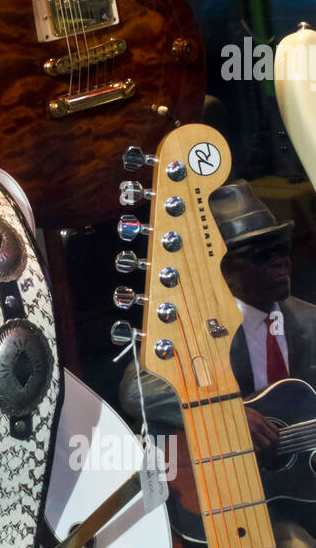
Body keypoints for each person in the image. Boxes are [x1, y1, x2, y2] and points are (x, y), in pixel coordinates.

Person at [118, 180, 316, 454]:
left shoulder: (310, 321)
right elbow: (136, 391)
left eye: (282, 247)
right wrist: (225, 413)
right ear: (223, 270)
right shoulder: (192, 325)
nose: (279, 261)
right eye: (261, 254)